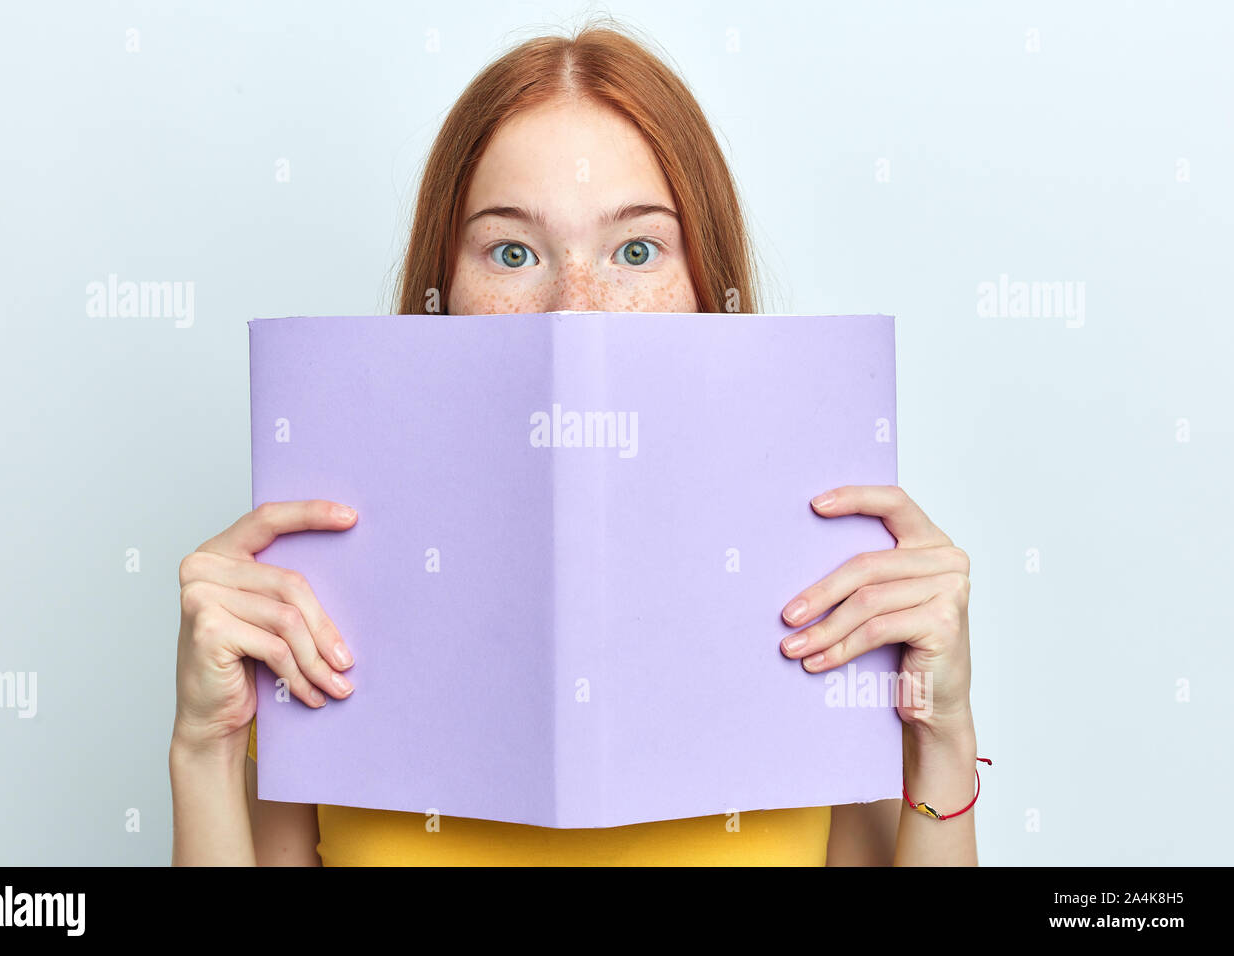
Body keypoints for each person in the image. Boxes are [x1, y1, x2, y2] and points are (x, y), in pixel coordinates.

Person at [170, 20, 980, 865]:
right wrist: (204, 750)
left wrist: (945, 737)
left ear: (708, 282)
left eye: (636, 248)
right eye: (513, 249)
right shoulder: (317, 587)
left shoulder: (818, 568)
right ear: (442, 289)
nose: (577, 307)